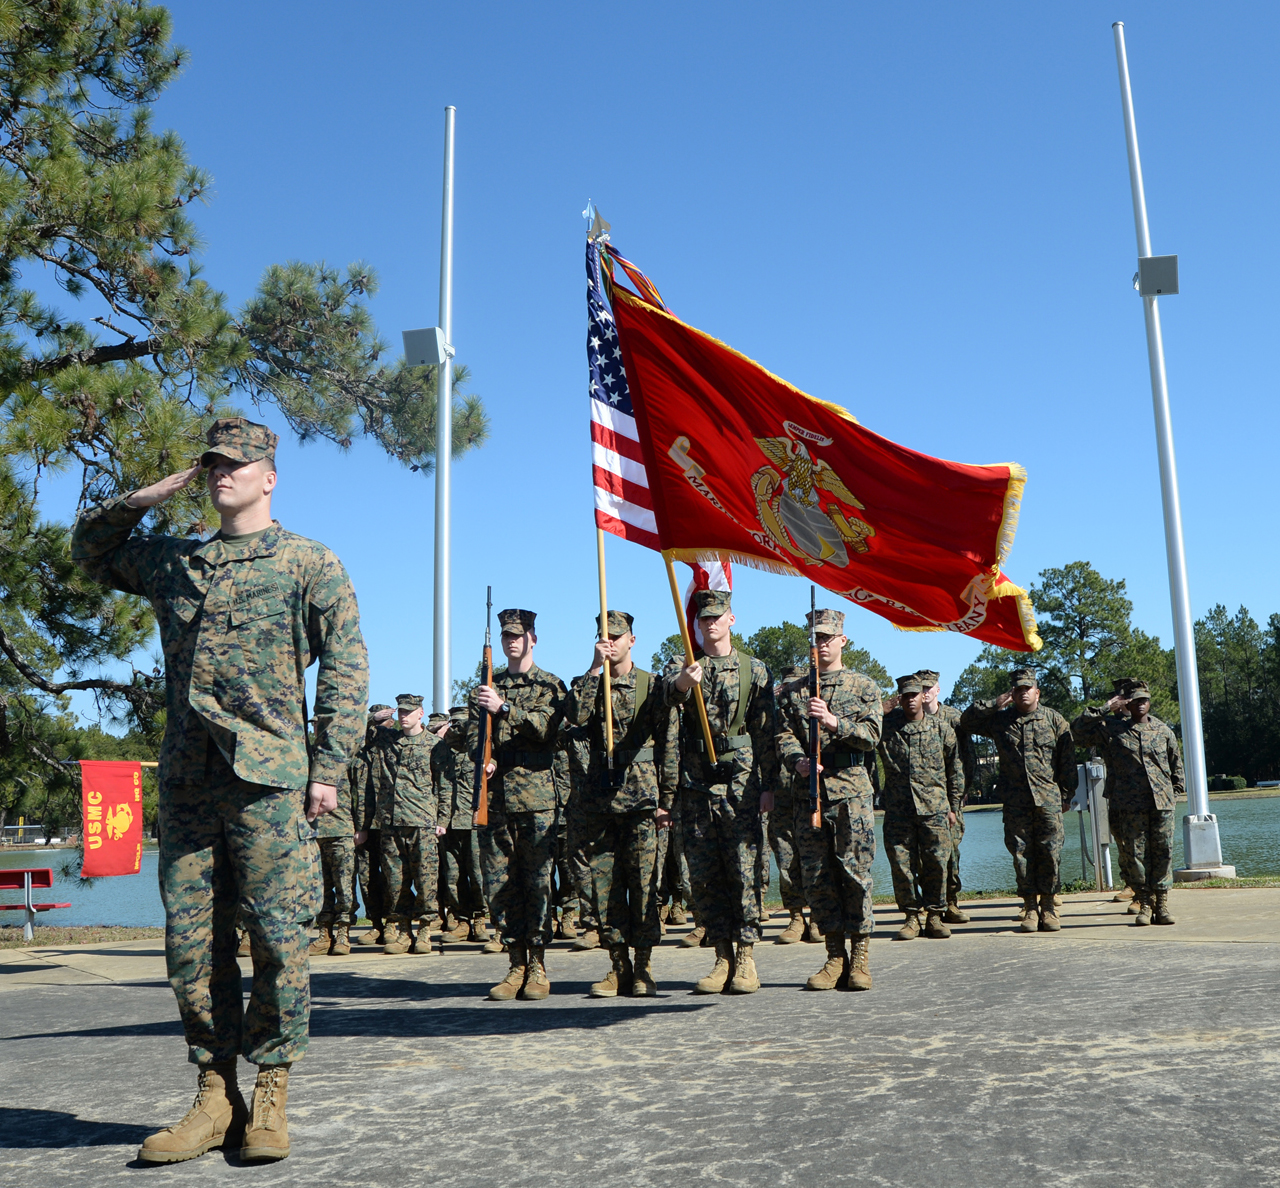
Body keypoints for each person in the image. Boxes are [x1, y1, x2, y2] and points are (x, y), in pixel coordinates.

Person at [71, 417, 368, 1164]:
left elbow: (347, 668)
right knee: (192, 947)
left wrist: (327, 767)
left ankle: (272, 1091)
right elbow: (90, 552)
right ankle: (213, 1095)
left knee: (277, 936)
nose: (222, 474)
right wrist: (138, 499)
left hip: (270, 779)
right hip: (189, 780)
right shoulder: (176, 562)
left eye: (238, 464)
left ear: (270, 475)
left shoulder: (308, 562)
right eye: (212, 464)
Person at [665, 589, 778, 995]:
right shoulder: (683, 666)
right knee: (704, 873)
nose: (710, 623)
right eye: (703, 618)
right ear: (694, 624)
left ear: (732, 619)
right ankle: (721, 956)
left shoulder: (755, 670)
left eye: (717, 616)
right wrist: (680, 684)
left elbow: (767, 733)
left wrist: (768, 787)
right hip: (695, 785)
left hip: (742, 784)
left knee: (744, 869)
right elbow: (664, 706)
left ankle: (746, 957)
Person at [566, 610, 679, 997]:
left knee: (645, 886)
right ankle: (618, 967)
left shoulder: (652, 685)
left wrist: (668, 800)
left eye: (617, 636)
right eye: (602, 636)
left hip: (643, 802)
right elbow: (574, 718)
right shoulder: (589, 684)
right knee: (605, 888)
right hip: (600, 803)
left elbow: (669, 745)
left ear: (632, 639)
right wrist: (594, 669)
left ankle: (644, 966)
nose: (609, 641)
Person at [775, 608, 881, 991]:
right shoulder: (795, 691)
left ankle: (861, 959)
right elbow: (782, 735)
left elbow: (872, 735)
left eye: (826, 638)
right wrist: (796, 760)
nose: (819, 644)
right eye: (815, 638)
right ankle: (835, 957)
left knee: (855, 875)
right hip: (811, 795)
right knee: (817, 878)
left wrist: (836, 722)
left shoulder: (863, 686)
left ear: (842, 641)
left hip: (851, 792)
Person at [468, 609, 567, 1001]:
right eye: (507, 635)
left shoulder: (549, 684)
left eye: (519, 635)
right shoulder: (487, 686)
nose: (512, 641)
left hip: (536, 800)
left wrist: (505, 708)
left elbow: (547, 729)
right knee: (500, 885)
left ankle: (538, 965)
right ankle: (515, 963)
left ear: (532, 638)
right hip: (496, 800)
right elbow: (465, 738)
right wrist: (483, 752)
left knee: (537, 883)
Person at [961, 668, 1076, 933]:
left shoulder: (1054, 720)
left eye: (1027, 688)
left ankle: (1048, 907)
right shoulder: (1001, 721)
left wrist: (1067, 794)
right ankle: (1030, 908)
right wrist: (996, 703)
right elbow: (967, 723)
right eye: (1018, 689)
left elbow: (1067, 760)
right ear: (1013, 692)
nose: (1023, 693)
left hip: (1048, 798)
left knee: (1050, 853)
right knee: (1021, 854)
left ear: (1037, 691)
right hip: (1016, 800)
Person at [1072, 680, 1183, 926]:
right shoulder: (1111, 729)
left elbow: (1176, 765)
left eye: (1144, 700)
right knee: (1135, 855)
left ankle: (1162, 903)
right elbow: (1077, 732)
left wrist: (1173, 792)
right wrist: (1107, 706)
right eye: (1134, 701)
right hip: (1129, 804)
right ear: (1126, 704)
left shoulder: (1163, 730)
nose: (1140, 704)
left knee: (1163, 852)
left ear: (1149, 702)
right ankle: (1144, 902)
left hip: (1161, 803)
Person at [879, 674, 962, 941]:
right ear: (899, 698)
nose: (910, 699)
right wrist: (881, 708)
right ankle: (911, 917)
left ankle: (935, 916)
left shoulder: (941, 729)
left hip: (934, 809)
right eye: (905, 695)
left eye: (914, 694)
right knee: (902, 866)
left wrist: (954, 806)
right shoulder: (886, 727)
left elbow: (955, 770)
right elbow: (860, 720)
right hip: (898, 810)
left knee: (937, 864)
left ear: (921, 696)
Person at [374, 694, 443, 955]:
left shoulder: (434, 745)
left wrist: (443, 820)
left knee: (426, 880)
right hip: (392, 821)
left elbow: (445, 785)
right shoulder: (387, 740)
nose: (403, 716)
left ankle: (425, 929)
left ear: (420, 714)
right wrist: (375, 719)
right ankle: (401, 929)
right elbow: (355, 732)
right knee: (394, 881)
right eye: (400, 712)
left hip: (422, 821)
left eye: (408, 712)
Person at [916, 669, 978, 924]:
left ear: (938, 690)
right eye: (921, 688)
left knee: (951, 852)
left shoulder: (953, 718)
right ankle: (927, 904)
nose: (925, 692)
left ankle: (951, 902)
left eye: (929, 688)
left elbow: (967, 756)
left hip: (950, 796)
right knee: (923, 855)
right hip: (921, 798)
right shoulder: (909, 719)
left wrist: (963, 792)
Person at [433, 704, 490, 942]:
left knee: (477, 874)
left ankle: (480, 919)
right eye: (454, 724)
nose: (458, 728)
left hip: (475, 821)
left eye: (462, 724)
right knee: (453, 876)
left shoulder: (483, 751)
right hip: (449, 822)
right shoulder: (441, 750)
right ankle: (461, 920)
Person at [311, 716, 365, 957]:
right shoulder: (306, 755)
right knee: (320, 888)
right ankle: (324, 934)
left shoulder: (347, 757)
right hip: (314, 832)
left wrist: (361, 827)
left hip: (343, 830)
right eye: (315, 725)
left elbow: (361, 795)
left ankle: (343, 933)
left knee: (344, 887)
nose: (318, 729)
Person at [767, 667, 810, 945]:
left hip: (809, 795)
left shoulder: (811, 713)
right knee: (785, 860)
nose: (786, 694)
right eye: (783, 688)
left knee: (814, 859)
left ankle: (819, 915)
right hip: (781, 797)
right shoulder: (769, 716)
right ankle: (796, 916)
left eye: (791, 688)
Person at [353, 704, 395, 945]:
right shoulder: (361, 751)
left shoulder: (395, 744)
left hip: (390, 821)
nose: (380, 727)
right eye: (376, 723)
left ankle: (392, 923)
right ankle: (376, 923)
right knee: (367, 876)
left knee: (392, 876)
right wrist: (371, 719)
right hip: (365, 823)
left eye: (385, 721)